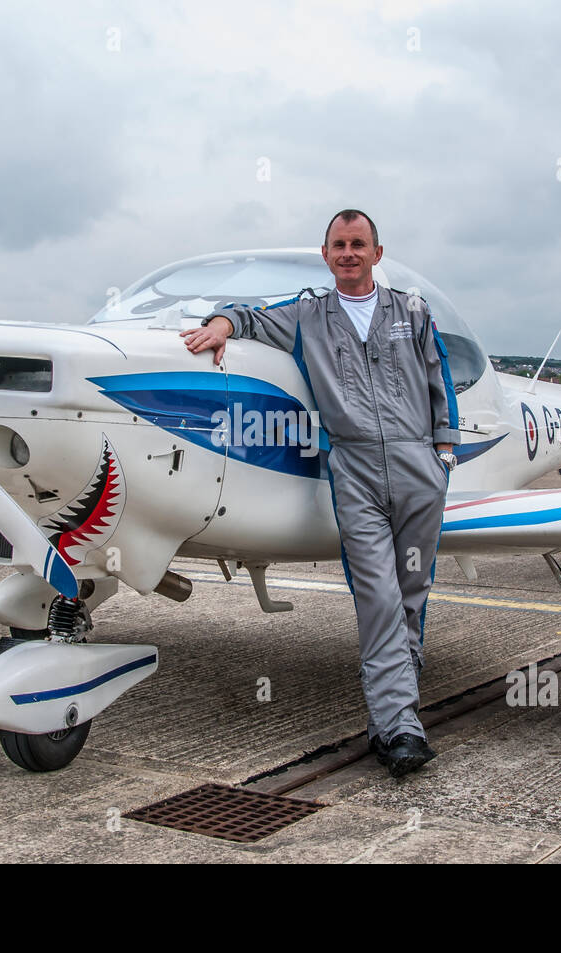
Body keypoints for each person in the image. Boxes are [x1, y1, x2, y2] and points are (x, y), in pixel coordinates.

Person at [180, 209, 460, 777]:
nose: (349, 253)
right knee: (378, 597)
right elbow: (251, 318)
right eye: (339, 245)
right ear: (327, 254)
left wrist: (444, 453)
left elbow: (440, 380)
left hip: (418, 466)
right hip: (354, 468)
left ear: (376, 254)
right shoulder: (308, 316)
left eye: (359, 244)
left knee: (411, 592)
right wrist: (222, 324)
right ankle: (400, 725)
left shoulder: (411, 310)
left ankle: (395, 711)